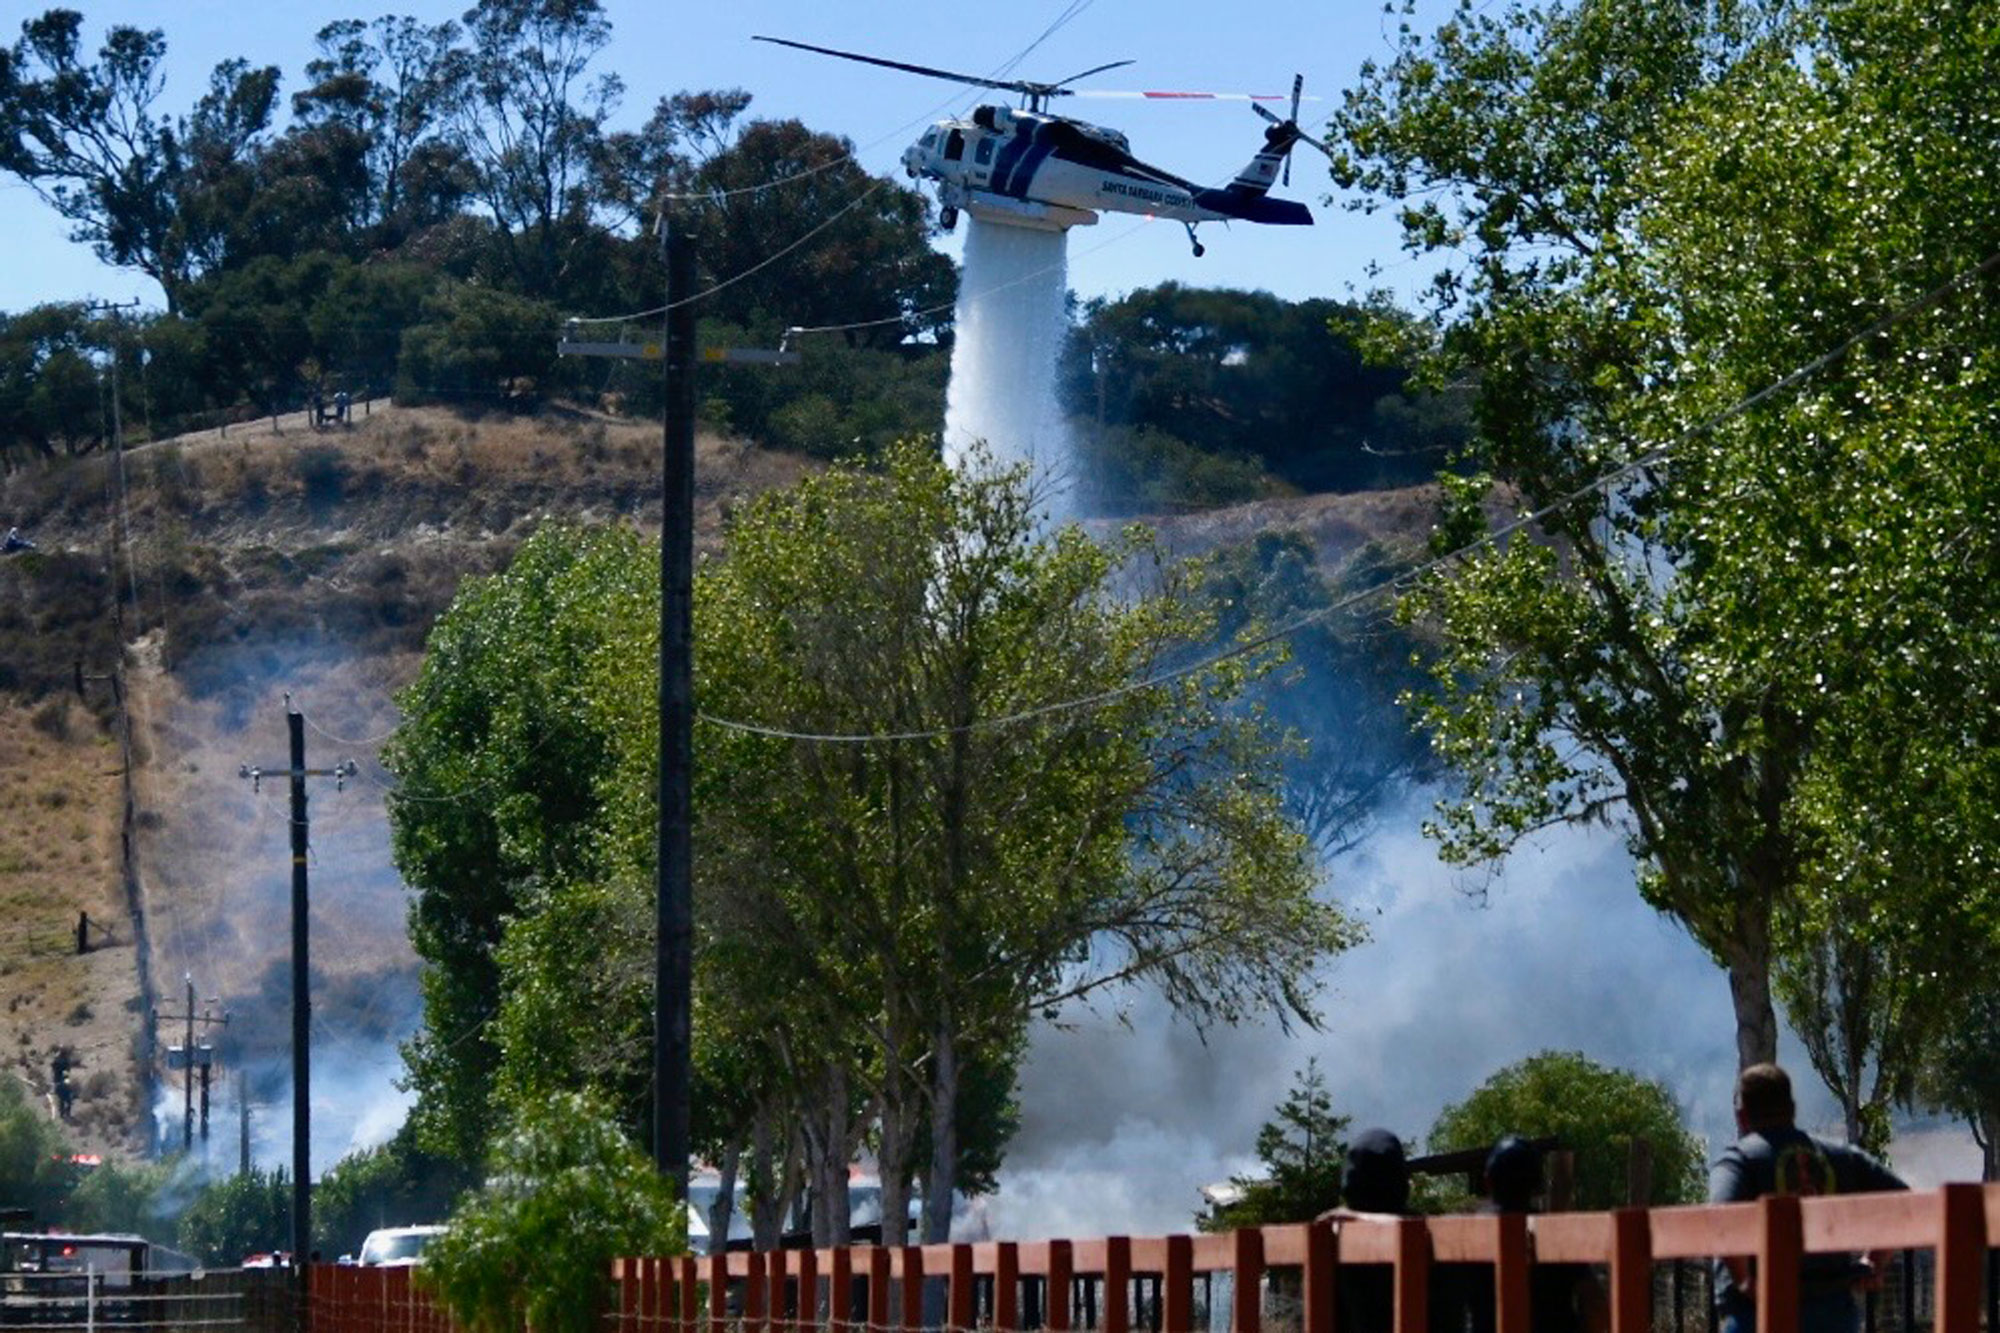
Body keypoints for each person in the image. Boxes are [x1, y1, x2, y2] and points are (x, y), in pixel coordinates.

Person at [1709, 1063, 1907, 1333]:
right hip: (1833, 1314)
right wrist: (1874, 1260)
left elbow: (1722, 1216)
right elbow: (1903, 1202)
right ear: (1792, 1109)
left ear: (1741, 1116)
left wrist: (1745, 1281)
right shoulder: (1841, 1157)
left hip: (1757, 1314)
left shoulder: (1739, 1161)